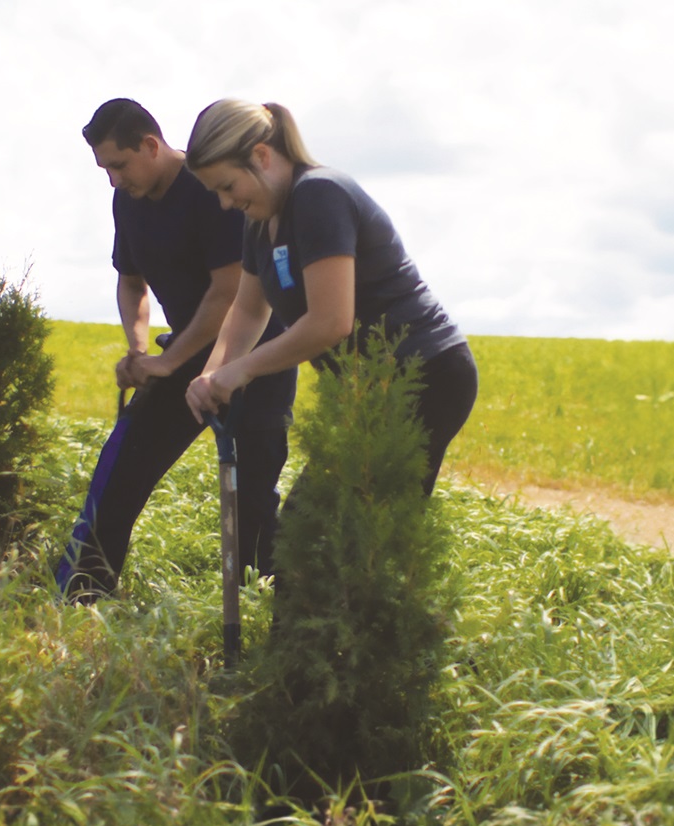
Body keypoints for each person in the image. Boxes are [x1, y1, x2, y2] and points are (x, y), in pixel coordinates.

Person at [183, 99, 477, 522]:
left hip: (424, 374)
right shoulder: (260, 222)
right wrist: (212, 375)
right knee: (314, 539)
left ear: (262, 157)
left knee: (345, 537)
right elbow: (247, 311)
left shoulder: (319, 195)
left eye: (228, 187)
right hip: (369, 389)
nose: (226, 203)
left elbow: (330, 322)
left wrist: (243, 370)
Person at [54, 98, 297, 601]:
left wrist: (167, 360)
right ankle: (82, 594)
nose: (114, 180)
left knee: (251, 500)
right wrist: (139, 351)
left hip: (255, 357)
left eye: (118, 165)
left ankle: (265, 612)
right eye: (105, 170)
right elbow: (131, 283)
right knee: (123, 470)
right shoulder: (127, 200)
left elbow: (227, 294)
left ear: (150, 144)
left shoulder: (209, 187)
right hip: (183, 352)